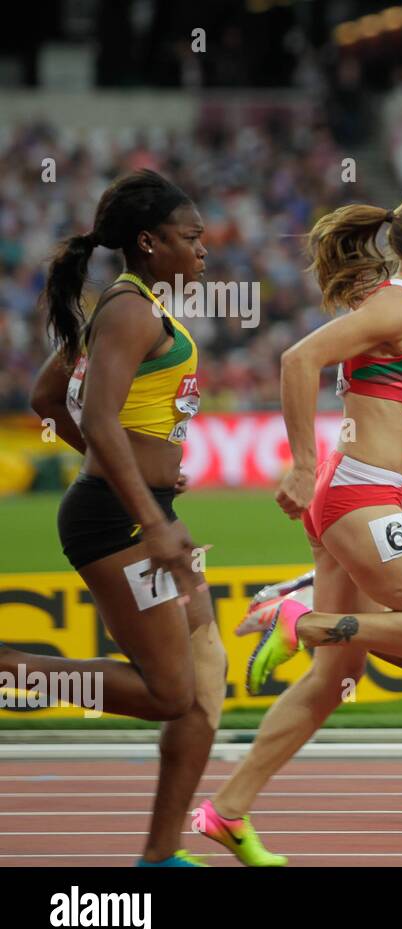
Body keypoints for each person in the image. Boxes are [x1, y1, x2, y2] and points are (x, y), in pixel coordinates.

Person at [194, 191, 402, 865]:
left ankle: (226, 811)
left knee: (330, 682)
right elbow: (298, 361)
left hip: (357, 496)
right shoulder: (397, 304)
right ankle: (305, 620)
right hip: (359, 501)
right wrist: (297, 464)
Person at [16, 169, 225, 866]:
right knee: (171, 695)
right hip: (123, 525)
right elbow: (97, 418)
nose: (204, 250)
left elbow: (48, 397)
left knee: (203, 690)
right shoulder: (132, 310)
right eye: (190, 238)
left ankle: (161, 856)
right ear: (149, 241)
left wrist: (141, 476)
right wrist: (149, 512)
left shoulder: (136, 306)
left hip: (141, 510)